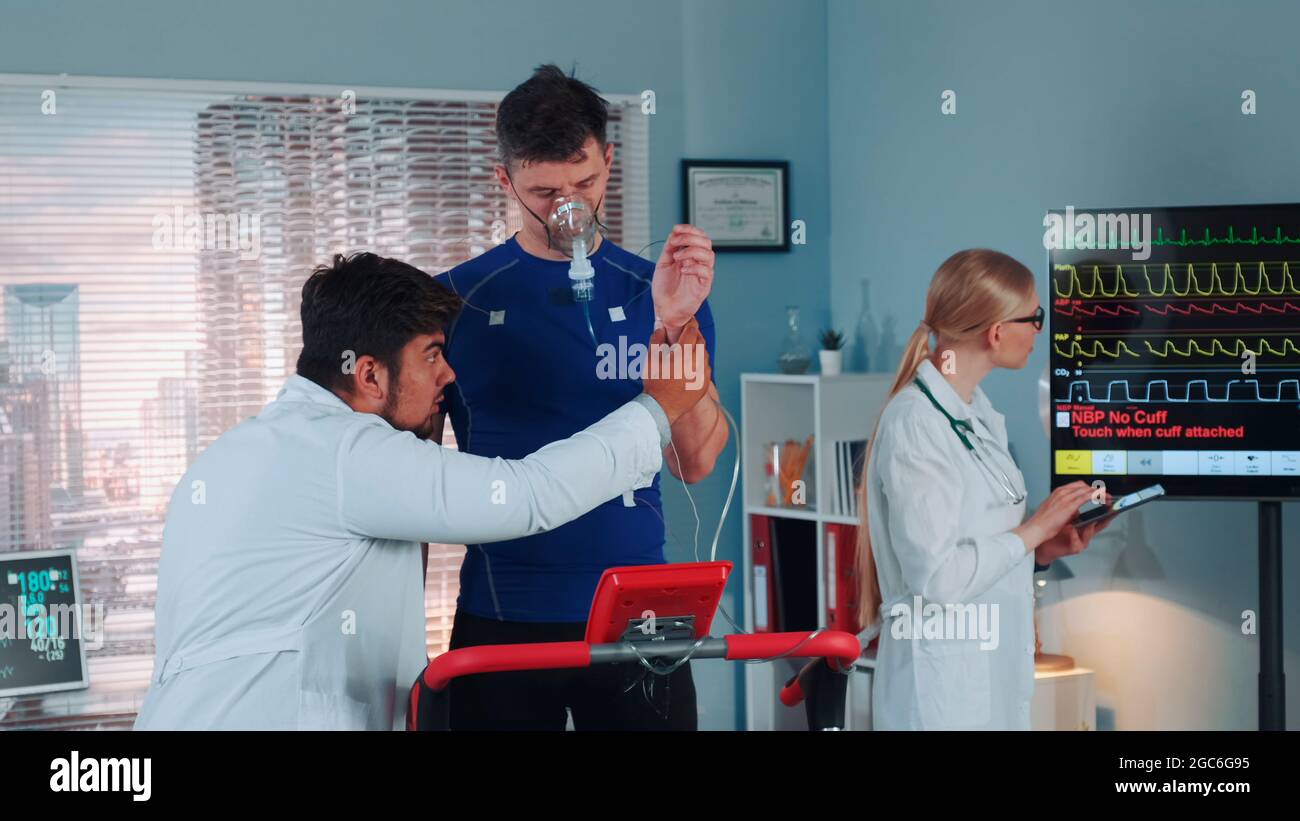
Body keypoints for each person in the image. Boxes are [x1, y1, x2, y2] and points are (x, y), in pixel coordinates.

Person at [134, 252, 710, 730]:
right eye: (431, 356)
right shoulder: (347, 454)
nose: (449, 374)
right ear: (368, 375)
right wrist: (658, 408)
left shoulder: (244, 450)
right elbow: (529, 496)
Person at [433, 65, 728, 730]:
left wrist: (676, 326)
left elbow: (696, 460)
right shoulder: (454, 299)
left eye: (585, 182)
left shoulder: (662, 288)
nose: (568, 203)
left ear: (610, 163)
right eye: (543, 190)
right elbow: (408, 474)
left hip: (640, 611)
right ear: (504, 180)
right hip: (506, 611)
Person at [855, 248, 1109, 730]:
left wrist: (1042, 549)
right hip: (941, 692)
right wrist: (1032, 530)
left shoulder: (973, 413)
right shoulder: (916, 423)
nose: (1040, 329)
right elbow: (938, 579)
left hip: (987, 675)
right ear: (996, 332)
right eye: (1035, 316)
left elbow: (979, 540)